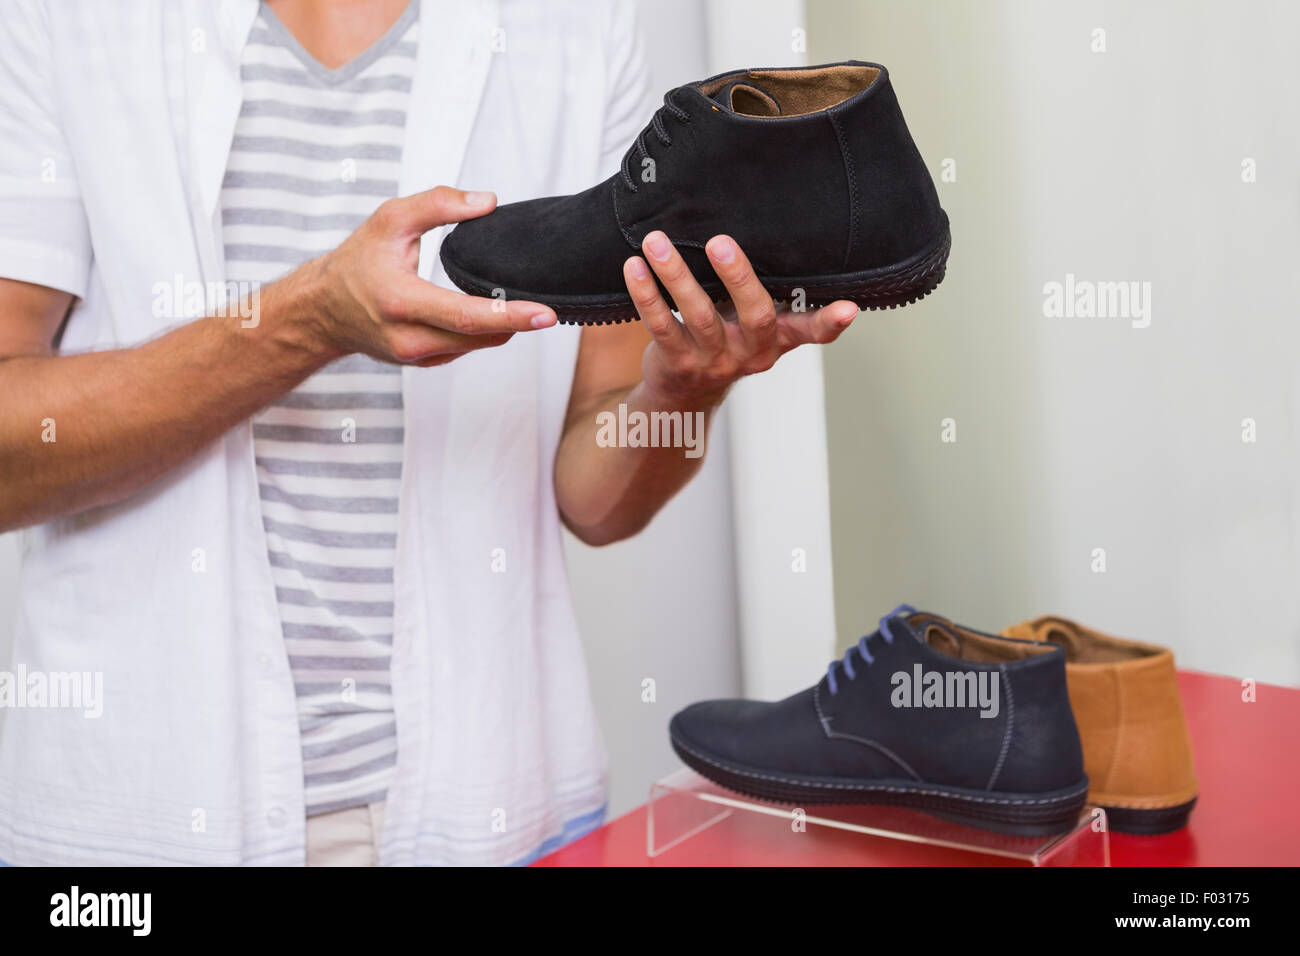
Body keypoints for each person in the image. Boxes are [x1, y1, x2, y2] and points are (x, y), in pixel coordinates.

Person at [0, 0, 857, 865]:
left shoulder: (580, 24)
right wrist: (308, 322)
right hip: (130, 824)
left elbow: (596, 501)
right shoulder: (60, 17)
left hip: (490, 805)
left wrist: (682, 388)